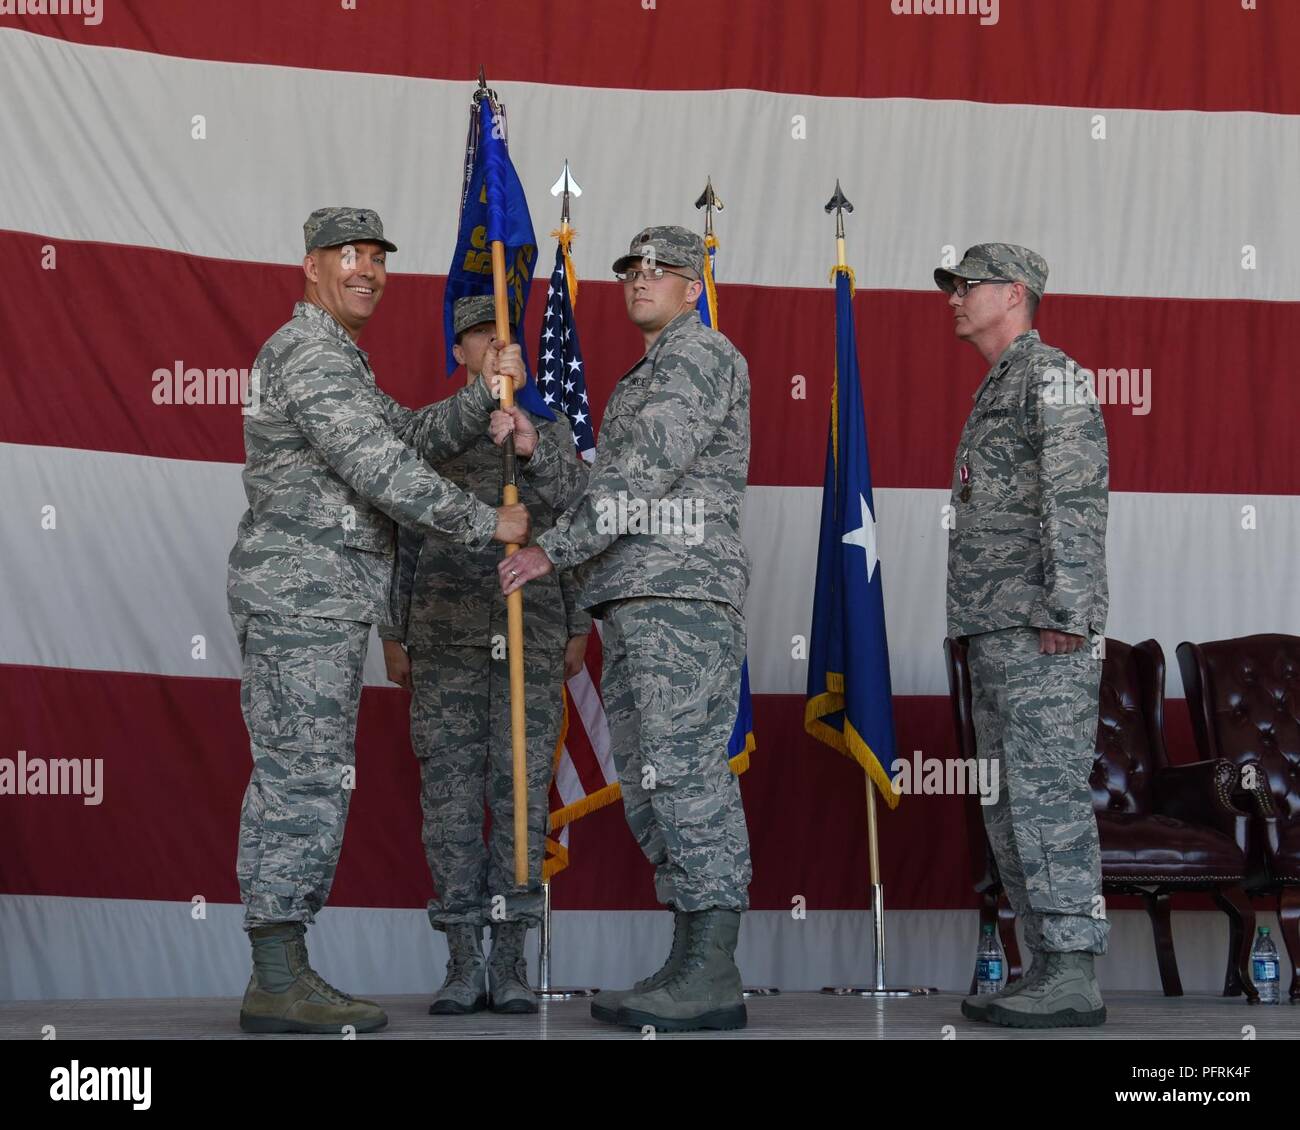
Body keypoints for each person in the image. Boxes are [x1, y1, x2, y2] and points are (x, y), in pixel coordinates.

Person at [228, 207, 529, 1034]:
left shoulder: (342, 359)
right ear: (312, 267)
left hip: (322, 597)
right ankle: (278, 977)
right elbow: (381, 468)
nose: (368, 270)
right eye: (349, 255)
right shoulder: (306, 352)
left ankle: (285, 970)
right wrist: (485, 523)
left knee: (314, 775)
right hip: (299, 595)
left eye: (378, 257)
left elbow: (408, 433)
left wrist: (478, 396)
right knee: (302, 778)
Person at [490, 225, 751, 1032]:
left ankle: (712, 966)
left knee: (686, 775)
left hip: (681, 597)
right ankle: (689, 956)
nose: (639, 281)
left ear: (693, 282)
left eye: (658, 270)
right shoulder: (644, 374)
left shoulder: (700, 356)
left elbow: (642, 476)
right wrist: (535, 446)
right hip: (638, 597)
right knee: (650, 780)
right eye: (630, 270)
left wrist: (550, 553)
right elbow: (603, 478)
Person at [380, 294, 590, 1016]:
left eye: (504, 337)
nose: (494, 348)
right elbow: (400, 533)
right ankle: (462, 960)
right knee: (449, 801)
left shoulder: (548, 430)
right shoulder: (431, 436)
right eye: (477, 337)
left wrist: (578, 625)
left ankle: (510, 961)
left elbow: (580, 519)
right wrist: (392, 631)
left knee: (521, 798)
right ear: (459, 352)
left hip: (529, 634)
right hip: (443, 635)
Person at [936, 243, 1110, 1028]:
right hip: (997, 625)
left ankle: (1073, 970)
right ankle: (1045, 965)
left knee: (1046, 796)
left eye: (966, 287)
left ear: (1014, 293)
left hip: (1043, 629)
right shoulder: (999, 386)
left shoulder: (1053, 375)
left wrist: (1068, 613)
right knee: (1006, 803)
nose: (953, 300)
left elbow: (1074, 498)